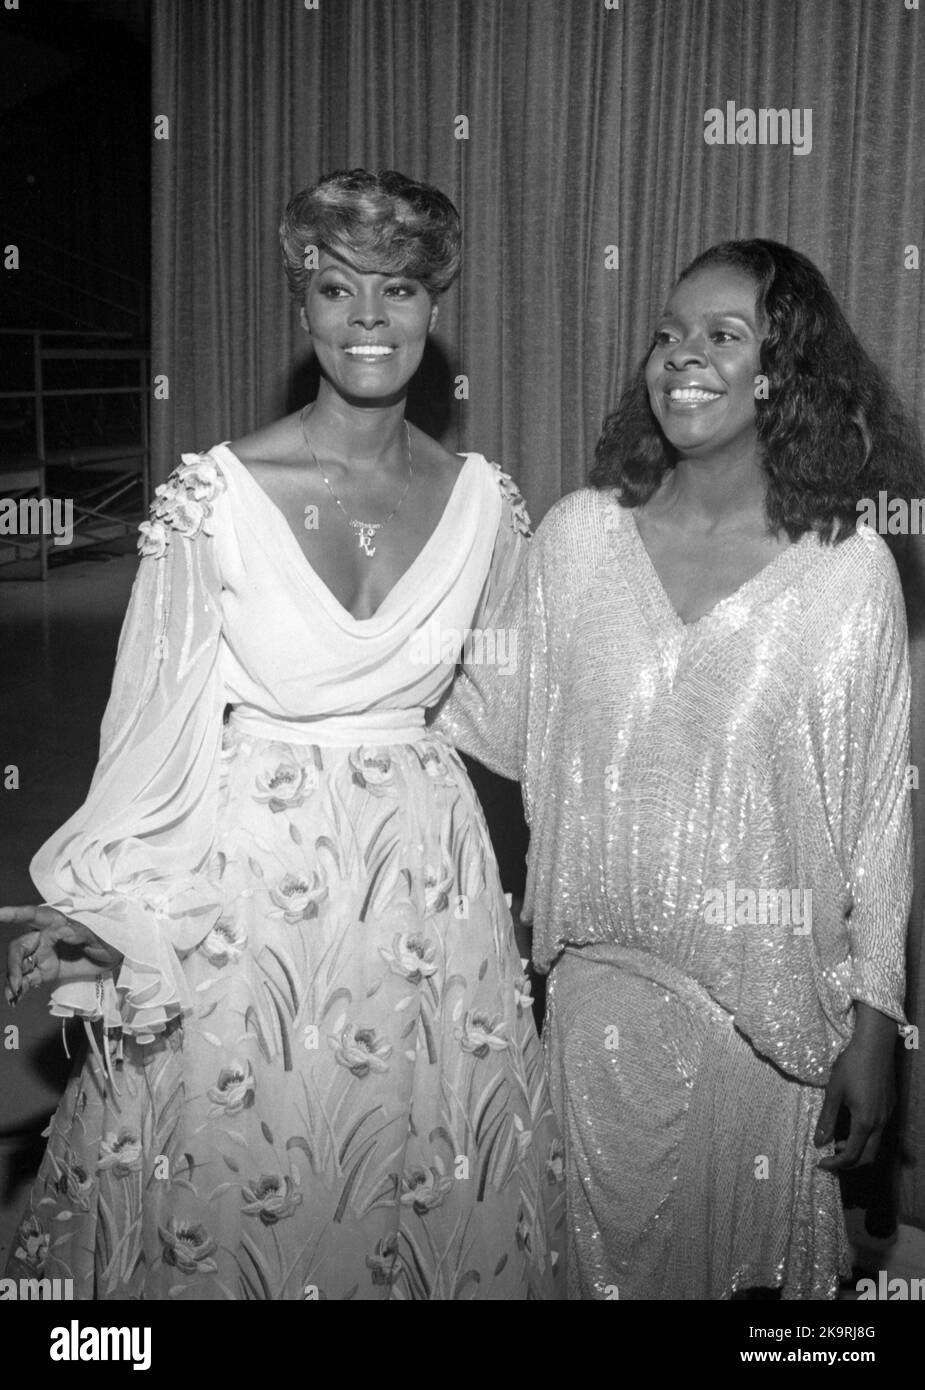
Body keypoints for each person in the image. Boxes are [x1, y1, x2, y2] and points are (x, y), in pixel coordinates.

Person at [2, 169, 565, 1301]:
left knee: (415, 1145)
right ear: (301, 305)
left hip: (427, 880)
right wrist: (110, 898)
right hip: (246, 878)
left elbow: (513, 711)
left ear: (432, 307)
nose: (368, 317)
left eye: (398, 288)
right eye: (336, 286)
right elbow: (151, 724)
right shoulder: (215, 496)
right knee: (250, 1165)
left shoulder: (484, 503)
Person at [433, 239, 919, 1299]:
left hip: (765, 1032)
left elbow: (880, 813)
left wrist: (878, 1022)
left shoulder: (846, 572)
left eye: (721, 335)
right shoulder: (574, 540)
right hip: (593, 1009)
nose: (680, 356)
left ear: (783, 370)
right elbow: (474, 725)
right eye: (666, 334)